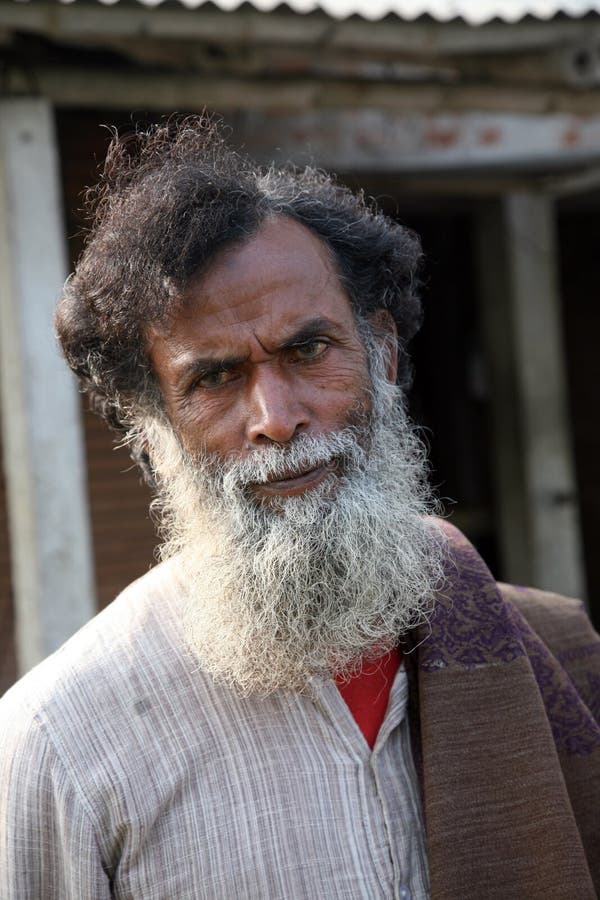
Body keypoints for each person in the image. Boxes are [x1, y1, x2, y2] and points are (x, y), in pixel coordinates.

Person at [0, 117, 598, 900]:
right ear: (153, 430)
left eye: (308, 351)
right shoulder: (64, 746)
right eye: (213, 379)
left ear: (381, 354)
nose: (276, 418)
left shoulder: (557, 654)